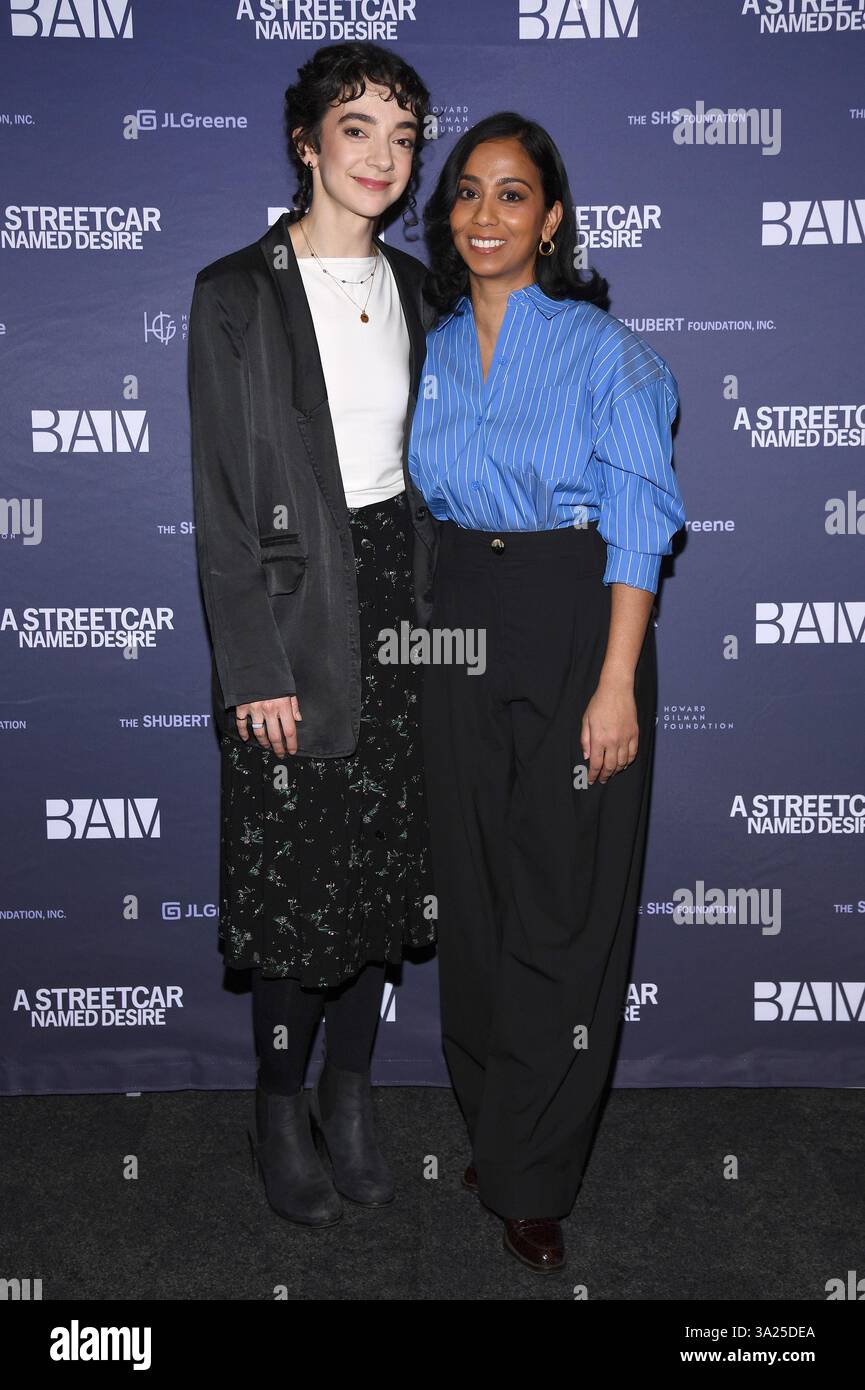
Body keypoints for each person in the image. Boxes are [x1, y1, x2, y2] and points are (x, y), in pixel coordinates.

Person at [408, 112, 687, 1272]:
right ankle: (495, 1122)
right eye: (467, 192)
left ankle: (536, 1171)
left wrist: (614, 679)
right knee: (470, 889)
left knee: (562, 902)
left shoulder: (604, 351)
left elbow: (639, 518)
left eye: (511, 194)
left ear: (551, 219)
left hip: (577, 616)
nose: (484, 214)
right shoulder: (425, 348)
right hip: (454, 617)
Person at [187, 42, 439, 1228]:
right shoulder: (234, 292)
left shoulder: (420, 288)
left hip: (403, 596)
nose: (383, 155)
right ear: (306, 142)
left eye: (402, 133)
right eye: (357, 128)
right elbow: (223, 503)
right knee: (294, 882)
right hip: (294, 613)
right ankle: (279, 1106)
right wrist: (253, 666)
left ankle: (351, 1093)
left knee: (380, 865)